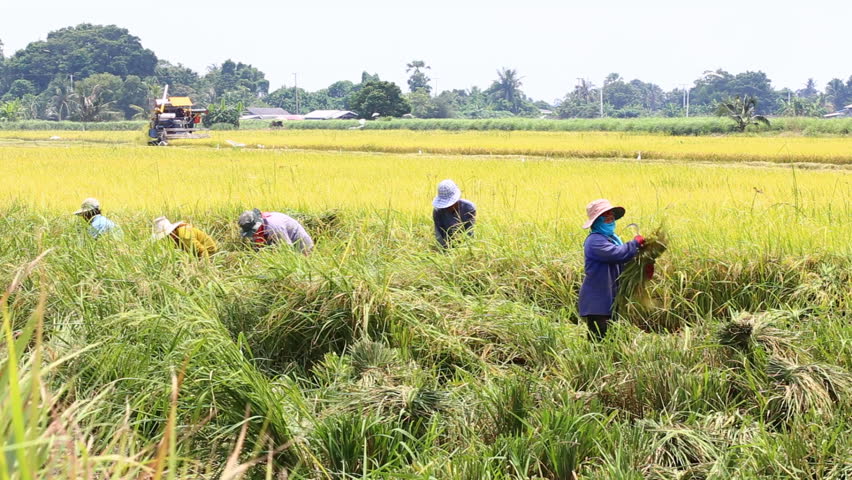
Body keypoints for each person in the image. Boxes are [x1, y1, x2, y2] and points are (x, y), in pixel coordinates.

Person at [577, 199, 647, 340]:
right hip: (597, 301)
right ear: (596, 222)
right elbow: (617, 254)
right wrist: (634, 244)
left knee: (611, 339)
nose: (610, 221)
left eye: (612, 218)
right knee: (599, 340)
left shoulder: (611, 239)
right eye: (606, 218)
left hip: (609, 297)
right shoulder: (594, 241)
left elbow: (623, 260)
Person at [237, 208, 314, 255]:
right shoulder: (260, 227)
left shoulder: (274, 228)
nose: (253, 235)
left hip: (301, 245)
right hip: (280, 242)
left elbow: (287, 251)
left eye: (254, 232)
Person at [432, 179, 476, 248]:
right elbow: (439, 236)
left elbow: (470, 233)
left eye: (451, 204)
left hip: (465, 244)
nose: (449, 207)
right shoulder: (438, 212)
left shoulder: (469, 208)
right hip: (447, 244)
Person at [151, 216, 217, 258]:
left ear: (172, 231)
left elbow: (202, 251)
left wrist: (206, 269)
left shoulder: (184, 236)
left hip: (209, 252)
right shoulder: (173, 237)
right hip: (194, 253)